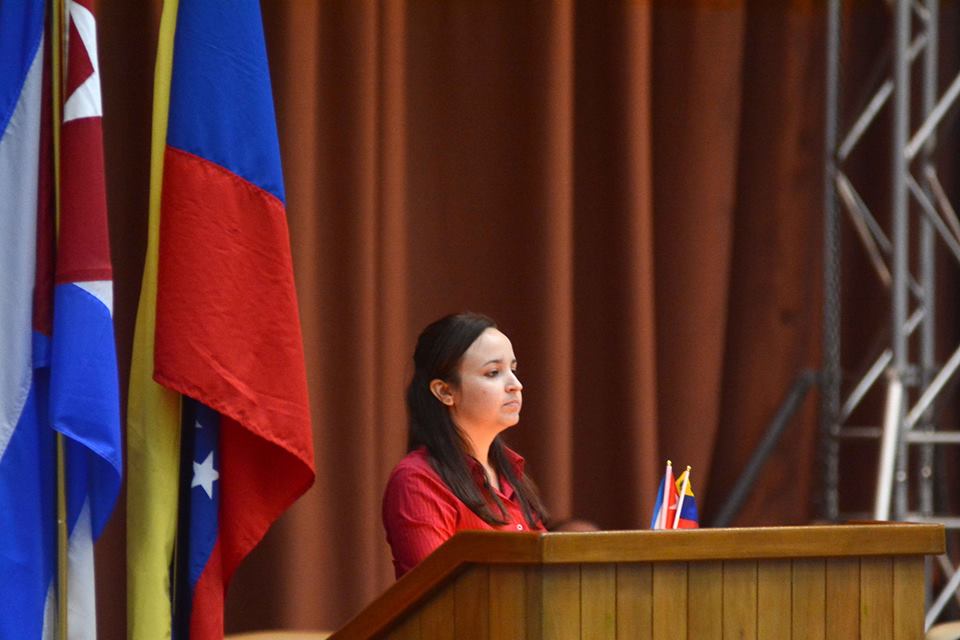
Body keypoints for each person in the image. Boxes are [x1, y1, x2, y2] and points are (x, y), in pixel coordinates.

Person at [382, 312, 549, 578]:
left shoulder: (510, 472)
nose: (515, 385)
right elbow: (438, 593)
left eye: (513, 370)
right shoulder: (417, 481)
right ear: (445, 391)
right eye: (493, 373)